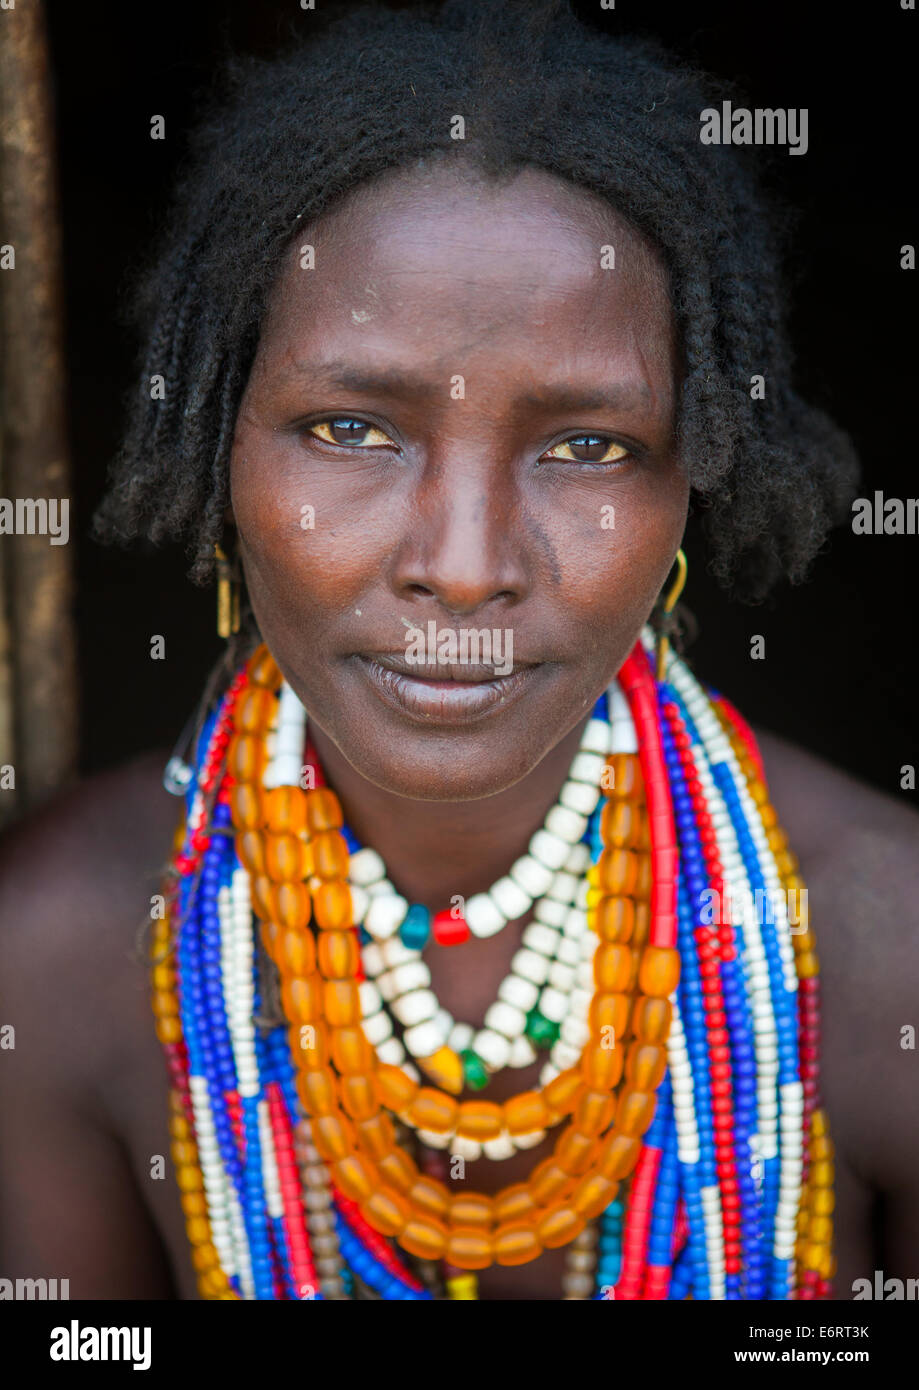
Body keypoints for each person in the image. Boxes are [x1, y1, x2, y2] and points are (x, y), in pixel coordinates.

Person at [1, 0, 916, 1302]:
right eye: (352, 428)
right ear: (221, 453)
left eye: (587, 445)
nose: (469, 560)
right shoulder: (55, 956)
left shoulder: (887, 950)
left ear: (688, 488)